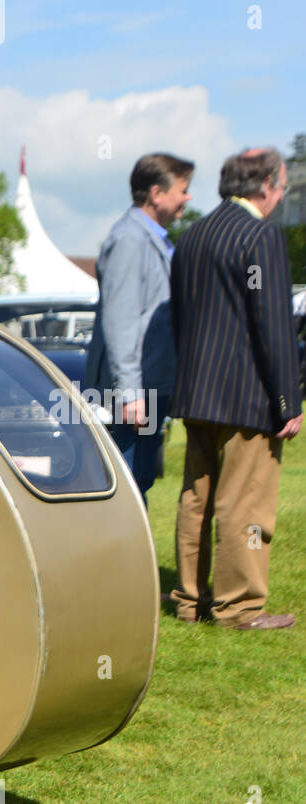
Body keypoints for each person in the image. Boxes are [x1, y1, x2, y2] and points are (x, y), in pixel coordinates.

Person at [170, 148, 302, 629]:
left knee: (196, 500)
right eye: (283, 185)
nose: (283, 194)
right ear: (264, 186)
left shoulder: (194, 235)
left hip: (197, 391)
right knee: (244, 504)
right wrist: (288, 400)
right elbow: (273, 323)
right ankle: (239, 606)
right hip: (247, 396)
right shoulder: (261, 235)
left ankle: (190, 600)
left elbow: (182, 318)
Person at [85, 153, 193, 502]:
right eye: (183, 189)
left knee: (141, 477)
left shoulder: (150, 237)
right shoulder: (131, 240)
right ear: (156, 193)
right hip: (134, 393)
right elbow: (121, 320)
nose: (187, 198)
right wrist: (130, 394)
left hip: (147, 389)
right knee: (127, 485)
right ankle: (120, 559)